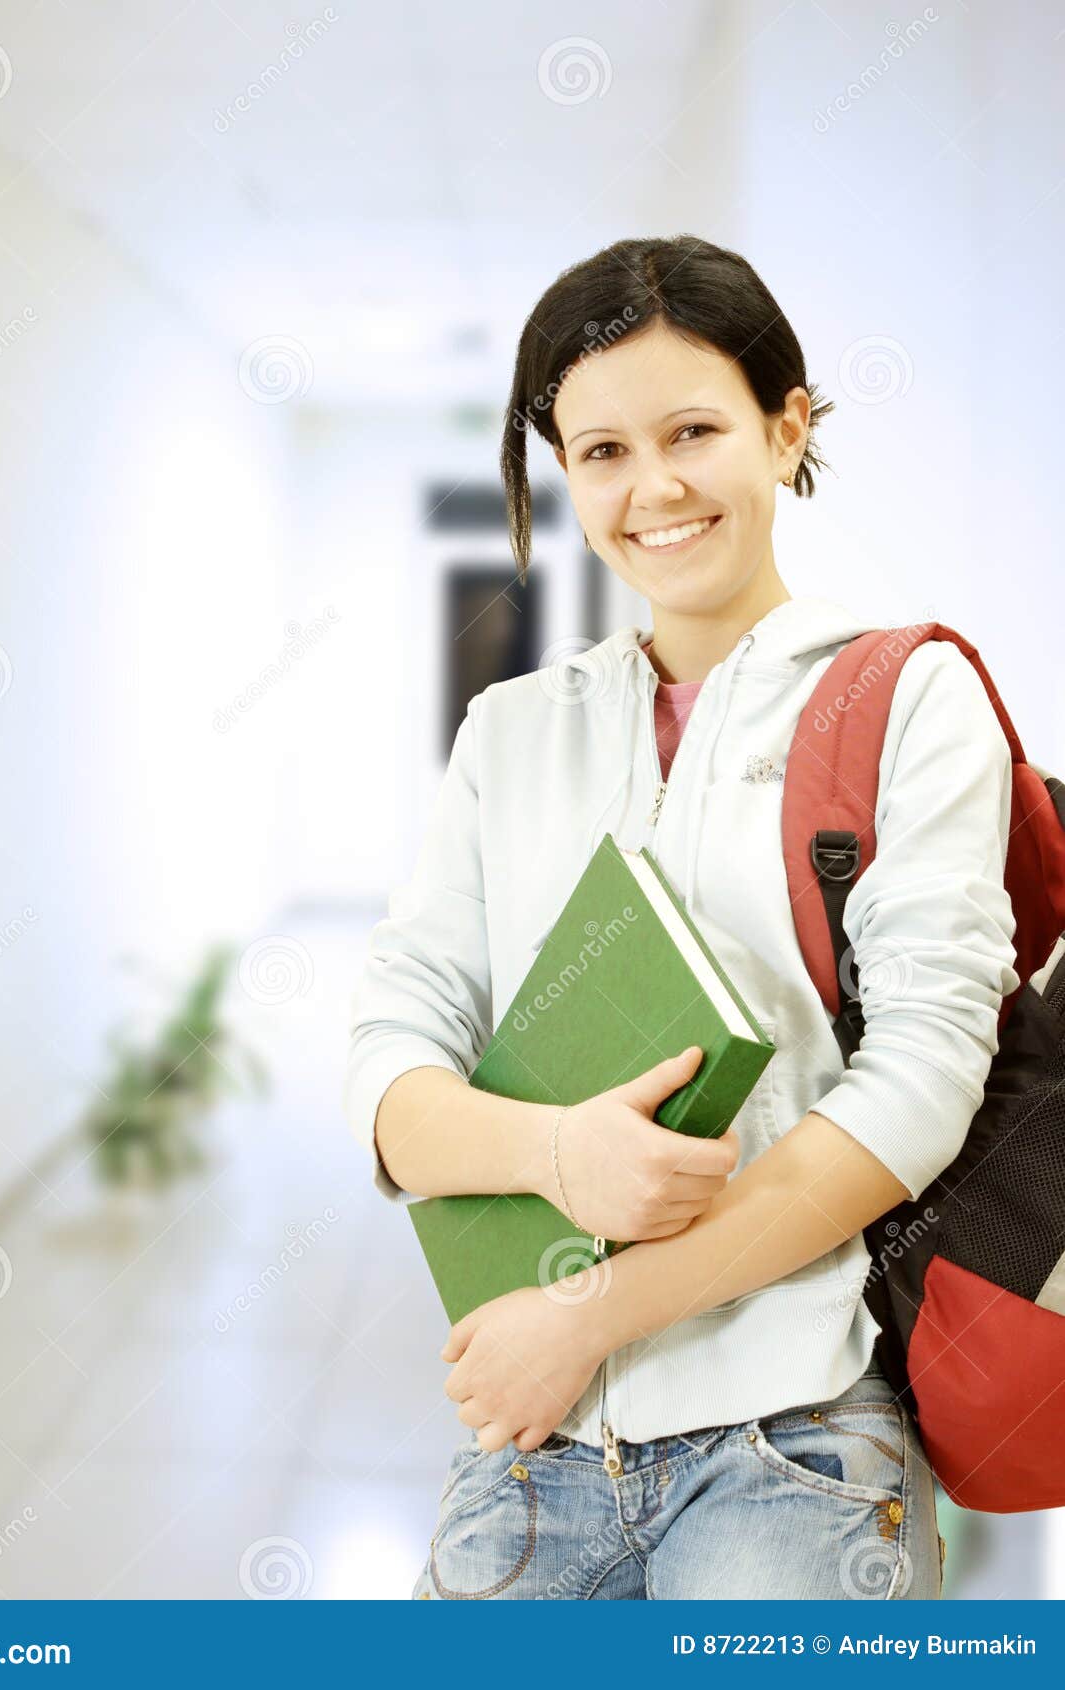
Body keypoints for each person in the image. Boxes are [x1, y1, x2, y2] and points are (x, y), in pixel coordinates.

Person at [342, 235, 1018, 1599]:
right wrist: (556, 1154)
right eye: (597, 451)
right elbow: (387, 1060)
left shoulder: (905, 697)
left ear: (785, 427)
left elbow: (921, 1081)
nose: (649, 487)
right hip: (530, 1444)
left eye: (692, 429)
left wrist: (589, 1312)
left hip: (797, 1441)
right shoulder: (512, 730)